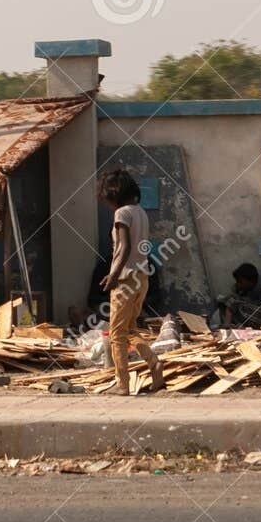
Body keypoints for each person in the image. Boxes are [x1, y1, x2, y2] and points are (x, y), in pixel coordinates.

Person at [97, 168, 165, 395]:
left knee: (116, 333)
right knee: (130, 328)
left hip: (125, 279)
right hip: (141, 277)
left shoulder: (122, 214)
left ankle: (122, 384)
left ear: (113, 193)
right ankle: (154, 363)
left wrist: (112, 275)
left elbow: (124, 247)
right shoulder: (141, 213)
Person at [217, 261, 261, 329]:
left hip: (256, 317)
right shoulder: (241, 289)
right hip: (243, 315)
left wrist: (245, 301)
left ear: (251, 281)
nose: (238, 284)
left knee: (232, 299)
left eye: (241, 282)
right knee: (224, 302)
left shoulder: (260, 290)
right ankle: (232, 325)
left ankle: (227, 324)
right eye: (238, 281)